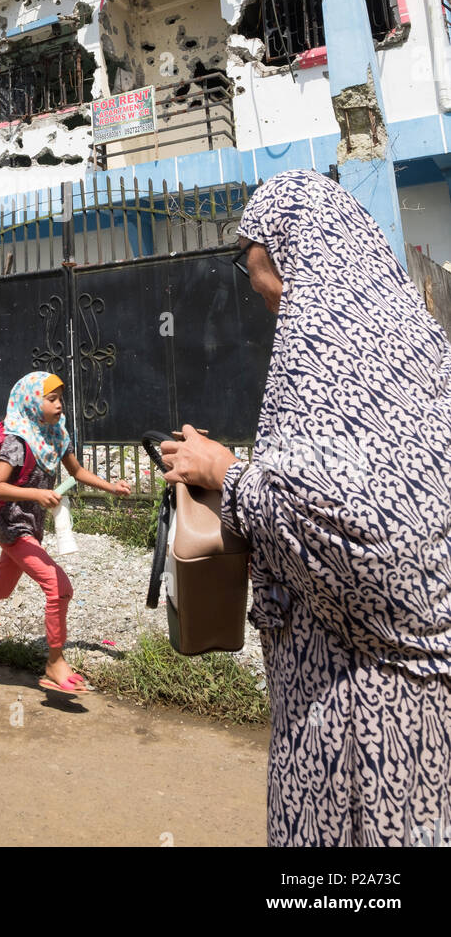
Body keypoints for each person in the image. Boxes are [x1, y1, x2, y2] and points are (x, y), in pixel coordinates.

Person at [159, 169, 451, 847]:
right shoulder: (407, 342)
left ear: (287, 247)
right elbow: (349, 481)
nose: (254, 284)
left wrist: (231, 477)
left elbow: (369, 538)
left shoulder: (324, 347)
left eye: (248, 259)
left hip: (368, 720)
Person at [0, 371, 131, 693]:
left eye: (60, 399)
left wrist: (111, 487)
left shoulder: (54, 434)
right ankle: (54, 663)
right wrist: (38, 495)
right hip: (11, 525)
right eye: (51, 399)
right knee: (59, 586)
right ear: (30, 401)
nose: (59, 405)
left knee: (2, 586)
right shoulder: (18, 441)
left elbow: (76, 472)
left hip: (31, 525)